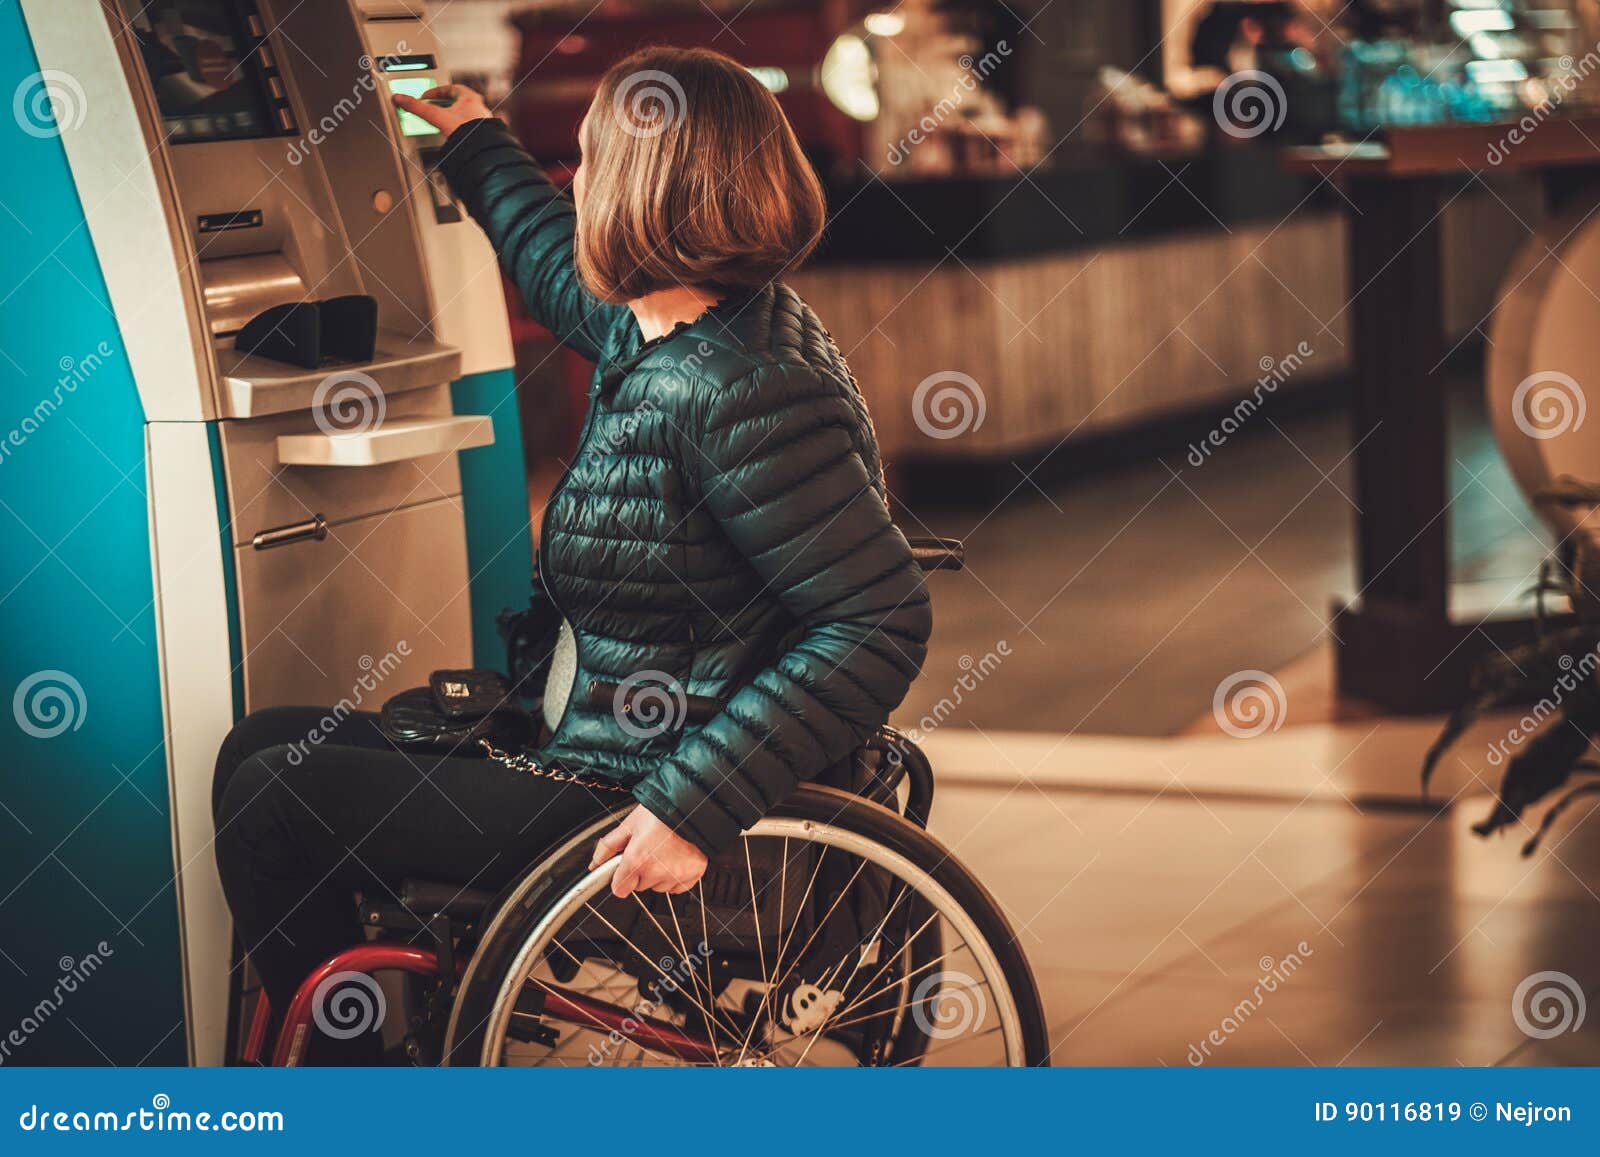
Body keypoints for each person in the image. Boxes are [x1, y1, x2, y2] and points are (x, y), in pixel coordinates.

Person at [211, 45, 932, 1063]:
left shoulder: (740, 386)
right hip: (603, 749)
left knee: (275, 797)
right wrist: (471, 140)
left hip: (646, 806)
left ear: (646, 193)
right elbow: (557, 262)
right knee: (262, 747)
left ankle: (359, 1091)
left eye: (591, 160)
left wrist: (690, 805)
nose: (576, 179)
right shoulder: (677, 320)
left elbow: (877, 621)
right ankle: (369, 1052)